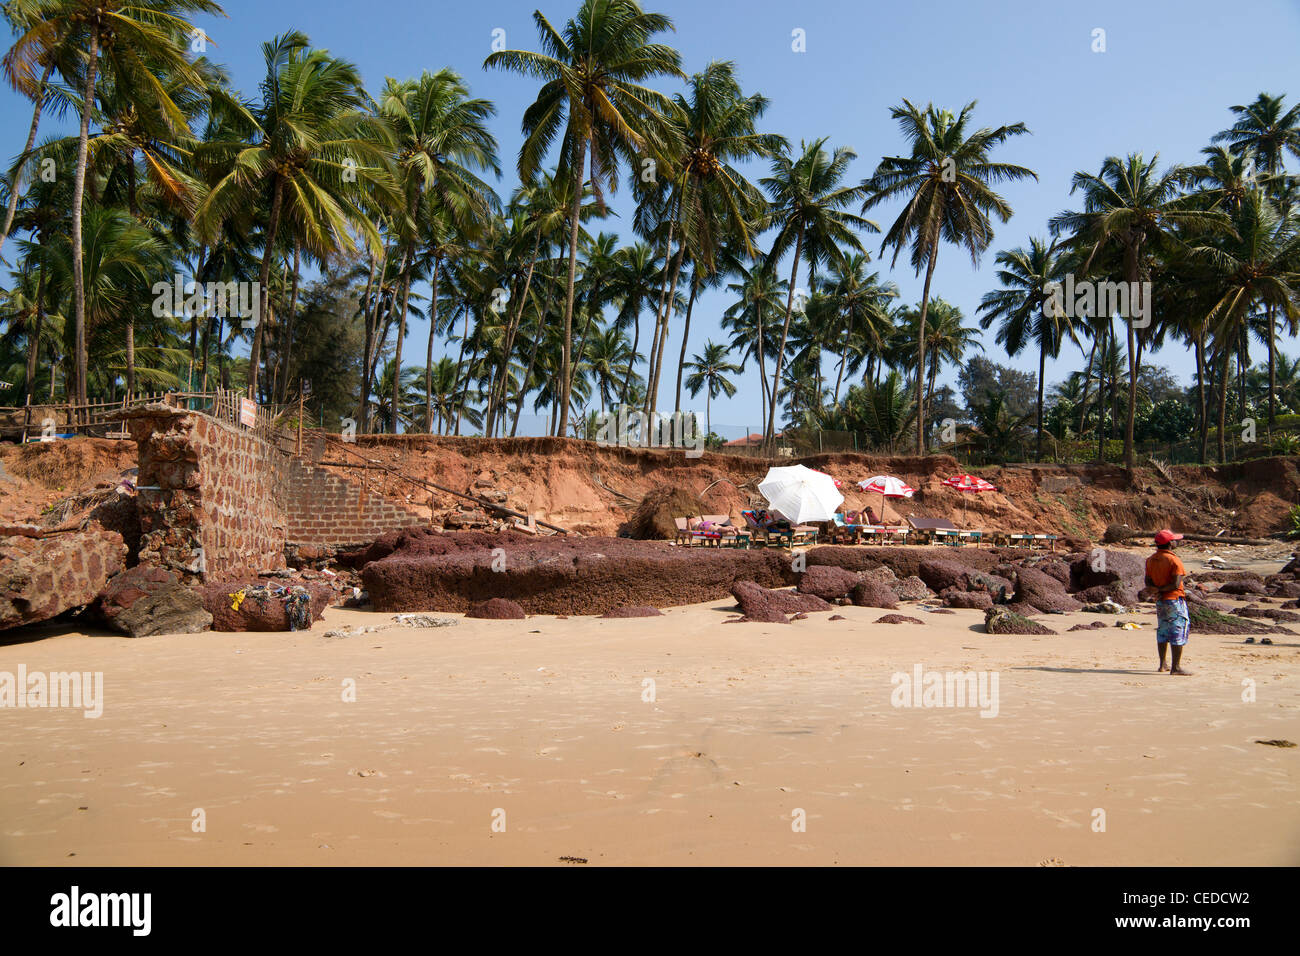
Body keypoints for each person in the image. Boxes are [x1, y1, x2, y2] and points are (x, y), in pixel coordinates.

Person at [1145, 529, 1190, 675]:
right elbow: (1176, 585)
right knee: (1177, 631)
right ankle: (1176, 667)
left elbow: (1148, 582)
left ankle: (1162, 664)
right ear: (1170, 543)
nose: (1176, 541)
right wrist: (1162, 590)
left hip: (1160, 601)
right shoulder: (1174, 560)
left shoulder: (1151, 560)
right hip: (1174, 600)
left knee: (1163, 631)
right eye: (1175, 540)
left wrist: (1156, 590)